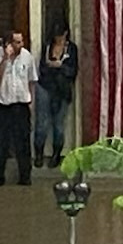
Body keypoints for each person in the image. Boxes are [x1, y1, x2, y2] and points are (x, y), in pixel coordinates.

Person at [0, 30, 36, 186]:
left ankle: (25, 177)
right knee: (0, 143)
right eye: (18, 42)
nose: (21, 44)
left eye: (21, 41)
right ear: (8, 44)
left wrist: (31, 103)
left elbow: (31, 80)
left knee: (23, 143)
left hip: (20, 105)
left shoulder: (27, 56)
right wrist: (5, 60)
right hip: (1, 106)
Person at [34, 22, 79, 168]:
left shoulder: (71, 49)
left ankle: (56, 154)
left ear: (66, 34)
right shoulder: (47, 46)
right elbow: (42, 68)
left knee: (59, 125)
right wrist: (50, 66)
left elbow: (73, 71)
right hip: (46, 86)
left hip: (62, 89)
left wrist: (61, 66)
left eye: (60, 36)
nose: (57, 39)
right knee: (42, 123)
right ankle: (39, 153)